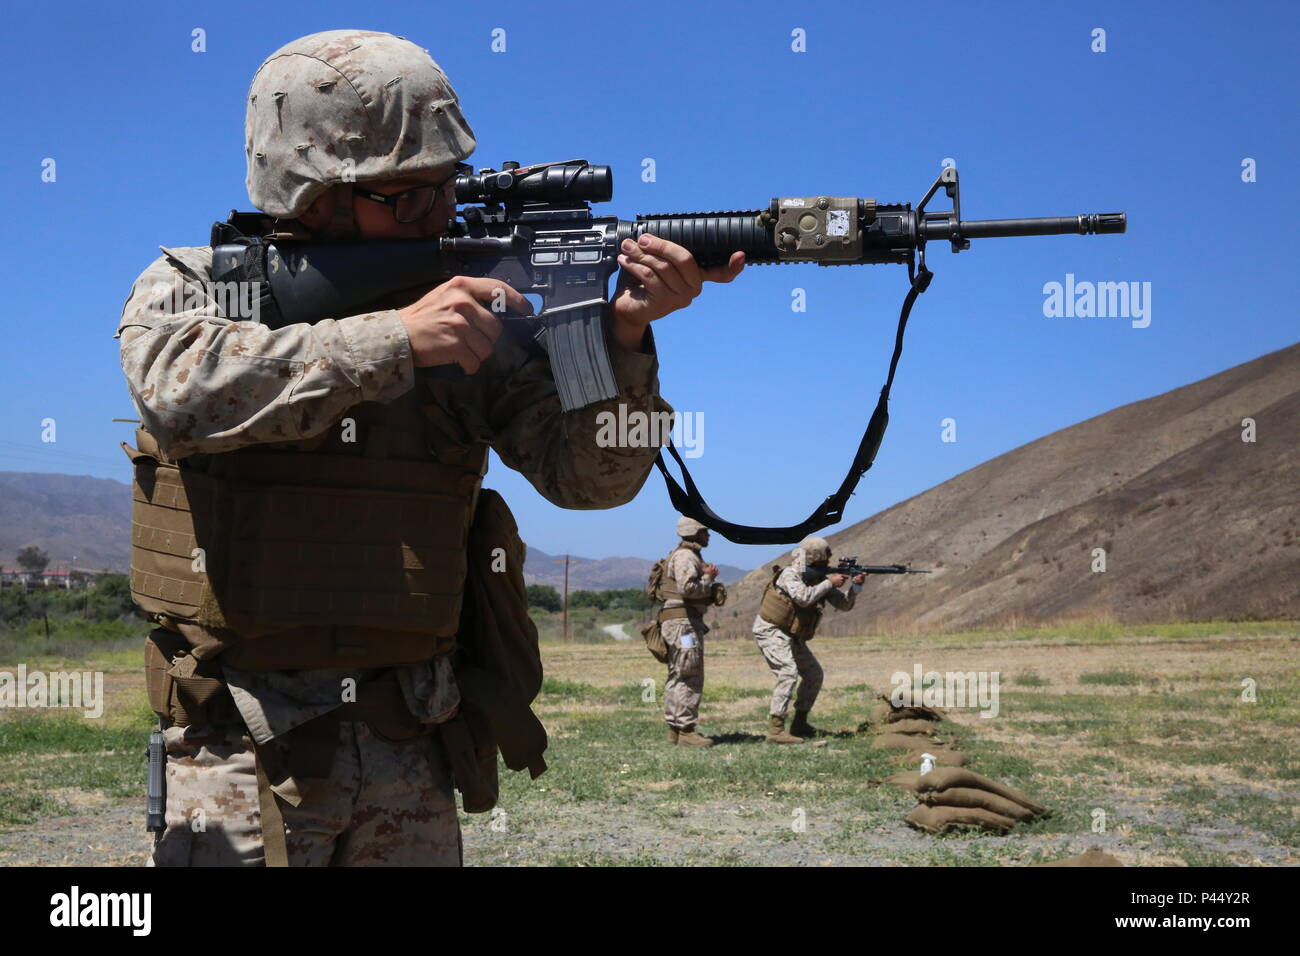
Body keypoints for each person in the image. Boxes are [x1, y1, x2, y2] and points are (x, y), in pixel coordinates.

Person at [118, 29, 744, 866]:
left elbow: (589, 481)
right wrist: (394, 340)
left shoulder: (468, 317)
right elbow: (175, 386)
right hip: (239, 737)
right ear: (312, 190)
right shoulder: (206, 283)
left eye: (446, 187)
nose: (442, 213)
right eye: (407, 197)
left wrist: (624, 337)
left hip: (408, 736)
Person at [752, 536, 865, 744]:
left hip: (791, 634)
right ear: (815, 559)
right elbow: (803, 597)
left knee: (814, 674)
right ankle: (776, 731)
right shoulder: (790, 574)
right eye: (824, 561)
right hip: (771, 630)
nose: (827, 565)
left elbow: (844, 605)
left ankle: (800, 724)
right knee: (787, 673)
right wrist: (829, 583)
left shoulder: (819, 579)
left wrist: (855, 587)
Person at [657, 516, 726, 746]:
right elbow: (687, 588)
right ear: (696, 532)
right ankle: (686, 731)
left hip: (679, 623)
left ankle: (675, 730)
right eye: (705, 531)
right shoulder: (686, 556)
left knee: (678, 674)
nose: (709, 535)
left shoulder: (682, 554)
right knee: (689, 674)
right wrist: (708, 578)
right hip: (684, 625)